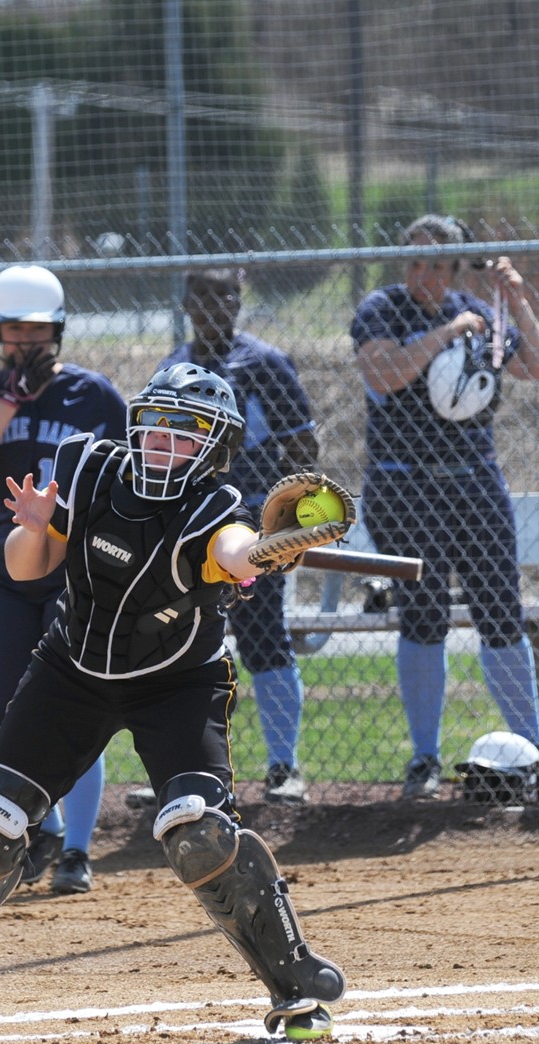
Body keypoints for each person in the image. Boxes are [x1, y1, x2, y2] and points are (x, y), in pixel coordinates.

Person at [0, 363, 346, 1041]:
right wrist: (37, 525)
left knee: (197, 832)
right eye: (156, 424)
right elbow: (26, 567)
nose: (164, 442)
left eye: (186, 433)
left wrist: (264, 548)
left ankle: (294, 988)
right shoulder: (89, 467)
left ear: (215, 449)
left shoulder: (215, 507)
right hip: (72, 669)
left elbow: (236, 551)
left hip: (178, 683)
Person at [348, 214, 539, 800]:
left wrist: (514, 299)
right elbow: (385, 374)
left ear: (457, 266)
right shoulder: (382, 310)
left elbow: (538, 366)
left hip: (473, 483)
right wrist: (445, 331)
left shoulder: (481, 312)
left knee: (499, 612)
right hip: (403, 488)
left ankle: (530, 750)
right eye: (413, 260)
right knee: (424, 615)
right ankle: (425, 757)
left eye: (436, 263)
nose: (422, 273)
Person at [0, 265, 127, 894]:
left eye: (37, 330)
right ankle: (45, 825)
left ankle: (76, 851)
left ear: (57, 332)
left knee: (77, 705)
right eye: (14, 330)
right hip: (7, 568)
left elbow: (126, 478)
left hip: (71, 572)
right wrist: (9, 400)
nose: (26, 341)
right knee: (4, 709)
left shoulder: (93, 394)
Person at [158, 268, 320, 804]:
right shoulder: (173, 369)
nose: (215, 305)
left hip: (252, 531)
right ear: (184, 303)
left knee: (264, 639)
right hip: (189, 532)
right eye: (202, 295)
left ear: (240, 301)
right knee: (181, 648)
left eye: (226, 295)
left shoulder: (266, 364)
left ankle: (283, 767)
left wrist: (285, 523)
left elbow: (301, 450)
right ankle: (180, 772)